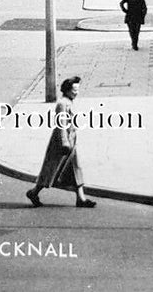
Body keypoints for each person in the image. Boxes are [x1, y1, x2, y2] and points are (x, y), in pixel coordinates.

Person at [26, 76, 97, 208]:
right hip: (60, 143)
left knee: (76, 168)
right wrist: (64, 142)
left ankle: (81, 199)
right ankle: (34, 192)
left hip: (71, 141)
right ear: (67, 90)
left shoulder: (69, 102)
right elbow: (61, 125)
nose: (76, 92)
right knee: (51, 170)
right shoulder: (62, 104)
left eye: (77, 90)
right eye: (74, 90)